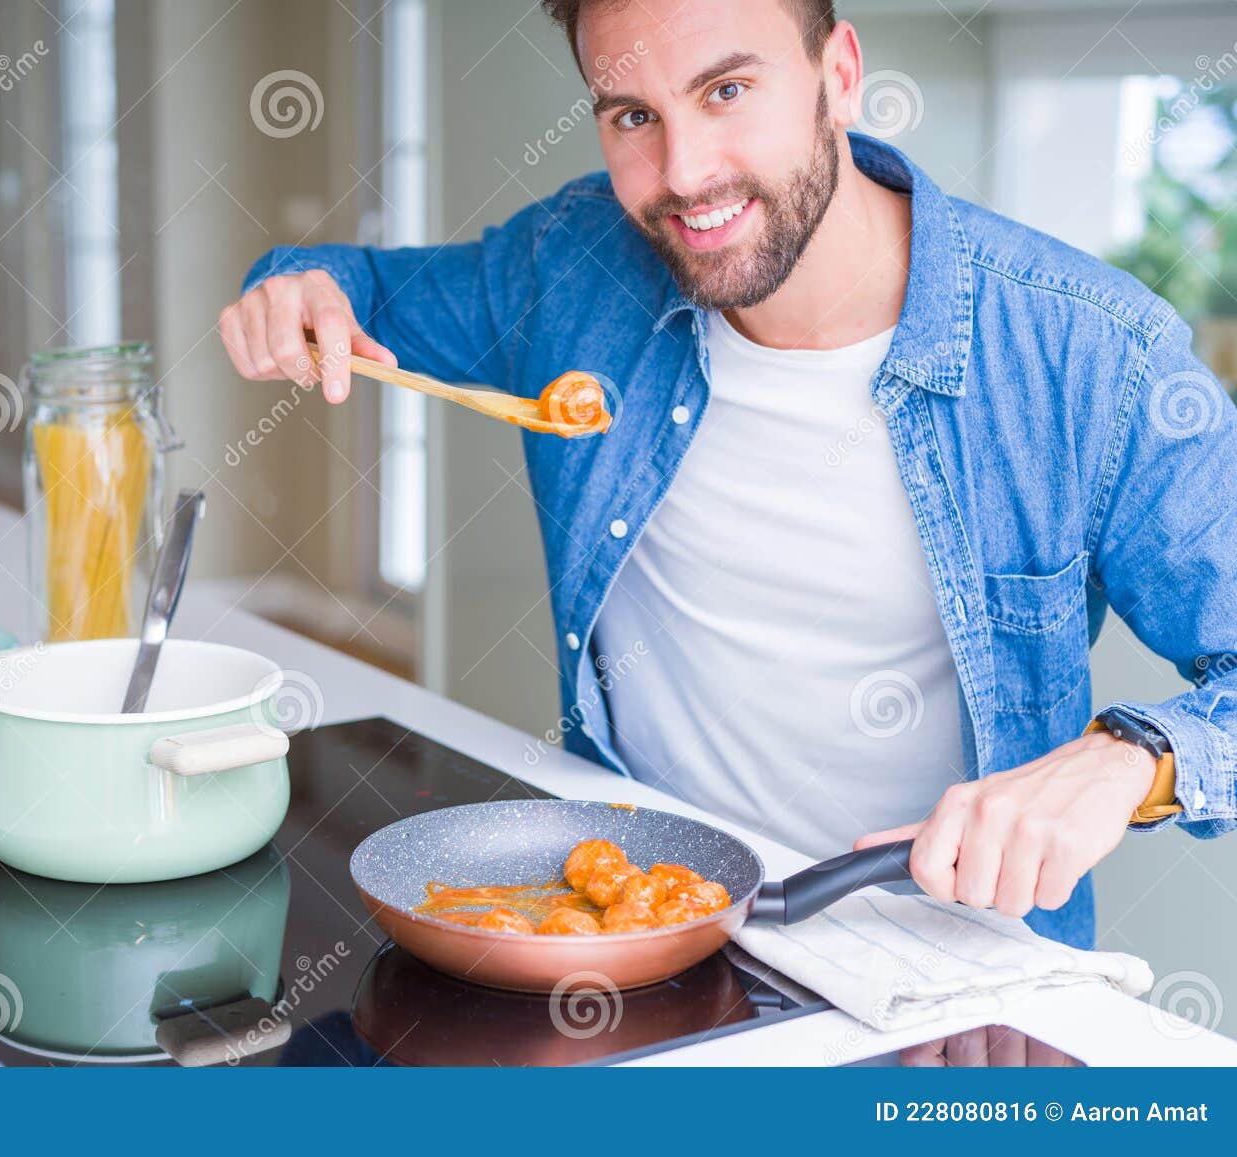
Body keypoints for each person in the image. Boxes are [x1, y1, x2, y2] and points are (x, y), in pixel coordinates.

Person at [218, 0, 1237, 948]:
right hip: (644, 939)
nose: (684, 171)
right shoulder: (574, 261)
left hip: (962, 981)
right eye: (631, 115)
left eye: (726, 91)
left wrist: (1123, 760)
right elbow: (353, 296)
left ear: (836, 73)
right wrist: (291, 291)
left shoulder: (1090, 353)